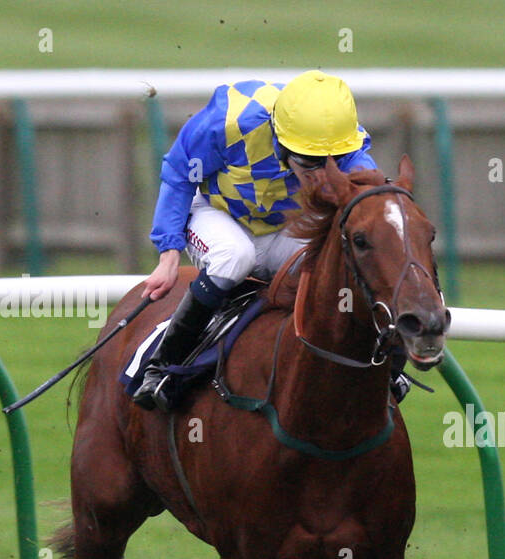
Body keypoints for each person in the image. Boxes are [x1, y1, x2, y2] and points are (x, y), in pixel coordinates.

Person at [134, 70, 409, 410]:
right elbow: (178, 174)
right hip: (215, 210)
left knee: (334, 264)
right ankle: (162, 367)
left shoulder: (345, 142)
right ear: (281, 139)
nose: (325, 173)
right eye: (311, 162)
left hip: (283, 224)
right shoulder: (227, 122)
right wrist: (169, 253)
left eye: (334, 162)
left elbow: (369, 203)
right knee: (234, 257)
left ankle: (378, 367)